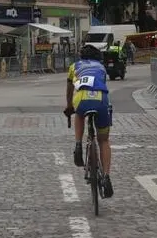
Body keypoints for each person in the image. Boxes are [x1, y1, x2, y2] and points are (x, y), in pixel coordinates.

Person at [64, 44, 114, 198]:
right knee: (104, 140)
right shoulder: (101, 67)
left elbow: (69, 89)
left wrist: (69, 106)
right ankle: (106, 177)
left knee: (78, 113)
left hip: (82, 99)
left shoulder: (74, 66)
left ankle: (78, 144)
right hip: (101, 100)